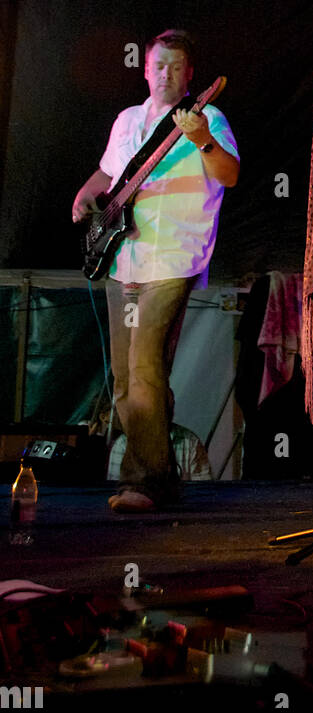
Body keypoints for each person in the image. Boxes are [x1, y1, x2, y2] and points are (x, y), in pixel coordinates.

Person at [72, 29, 239, 513]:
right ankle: (153, 478)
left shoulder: (208, 118)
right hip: (124, 256)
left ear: (190, 75)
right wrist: (86, 194)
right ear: (145, 70)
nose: (164, 74)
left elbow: (229, 174)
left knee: (147, 363)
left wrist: (203, 141)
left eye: (175, 67)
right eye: (157, 65)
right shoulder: (126, 120)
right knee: (126, 377)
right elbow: (110, 173)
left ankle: (147, 482)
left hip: (174, 257)